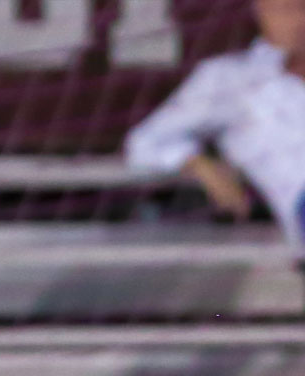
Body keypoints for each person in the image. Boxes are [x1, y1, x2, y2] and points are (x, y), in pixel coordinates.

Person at [125, 0, 305, 249]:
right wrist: (198, 163)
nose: (297, 21)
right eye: (284, 10)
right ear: (261, 13)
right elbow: (145, 141)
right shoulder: (229, 78)